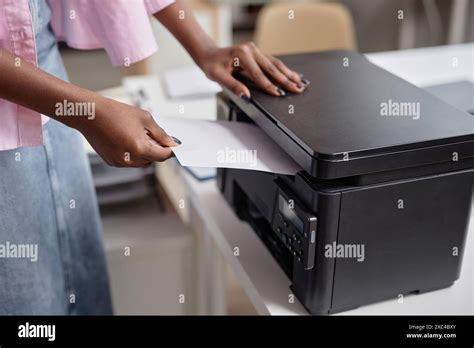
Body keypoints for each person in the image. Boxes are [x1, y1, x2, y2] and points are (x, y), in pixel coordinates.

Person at [0, 0, 308, 314]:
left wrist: (205, 48)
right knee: (29, 302)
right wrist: (87, 113)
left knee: (83, 276)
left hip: (40, 60)